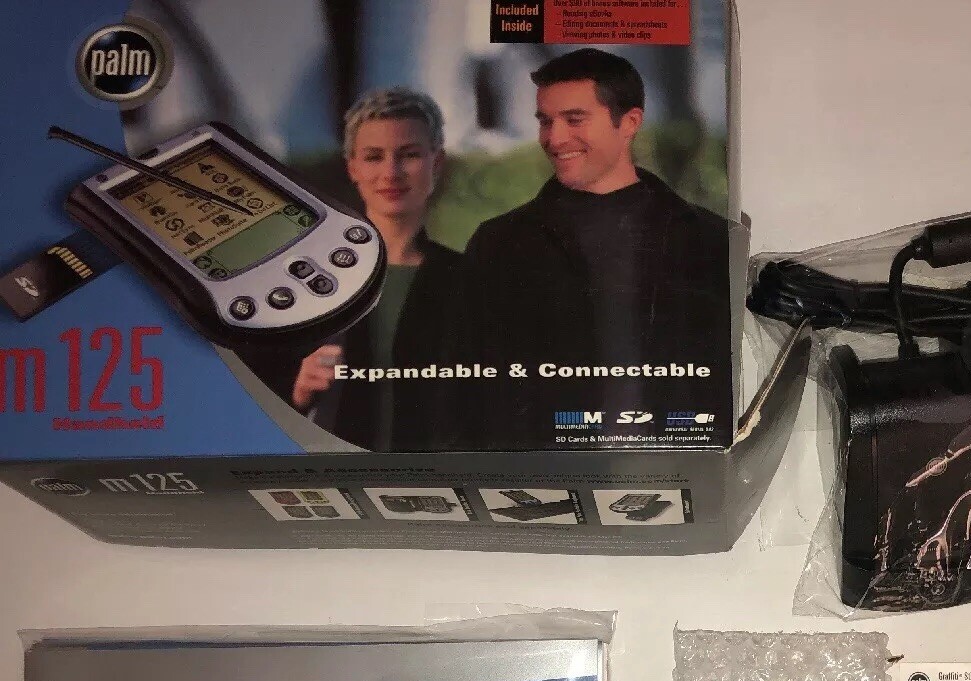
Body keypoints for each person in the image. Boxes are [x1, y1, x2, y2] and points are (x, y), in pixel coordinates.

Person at [443, 48, 732, 449]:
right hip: (542, 472)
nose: (554, 138)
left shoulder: (709, 239)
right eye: (545, 121)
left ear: (629, 122)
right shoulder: (499, 243)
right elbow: (467, 391)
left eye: (574, 119)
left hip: (677, 466)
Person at [246, 86, 460, 451]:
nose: (391, 172)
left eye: (409, 155)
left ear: (435, 163)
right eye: (374, 157)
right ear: (353, 168)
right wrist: (298, 391)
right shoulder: (299, 278)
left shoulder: (470, 279)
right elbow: (251, 401)